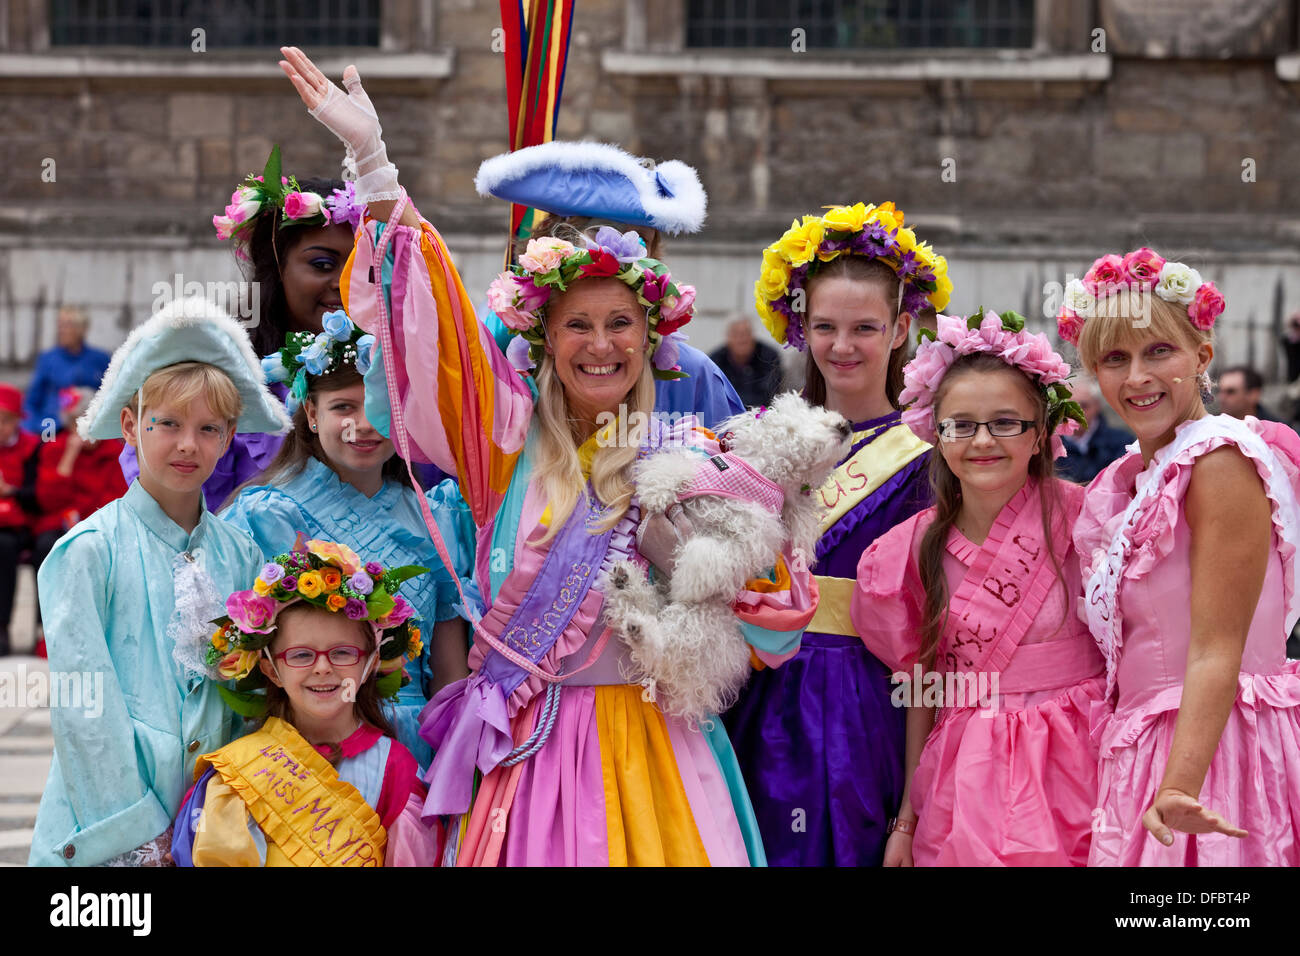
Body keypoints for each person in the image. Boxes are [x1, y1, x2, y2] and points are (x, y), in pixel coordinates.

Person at [281, 45, 817, 865]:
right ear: (542, 340)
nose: (600, 346)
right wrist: (374, 165)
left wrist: (732, 564)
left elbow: (771, 636)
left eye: (619, 325)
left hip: (661, 755)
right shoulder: (501, 442)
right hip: (529, 759)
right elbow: (439, 334)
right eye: (577, 324)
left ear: (651, 336)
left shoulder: (695, 456)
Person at [28, 295, 290, 867]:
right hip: (112, 819)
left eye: (208, 429)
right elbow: (83, 706)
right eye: (167, 424)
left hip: (217, 817)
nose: (187, 444)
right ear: (130, 425)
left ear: (228, 440)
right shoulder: (88, 552)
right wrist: (137, 830)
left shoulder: (242, 552)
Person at [724, 201, 949, 866]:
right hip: (755, 684)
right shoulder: (758, 435)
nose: (842, 345)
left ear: (902, 327)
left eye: (864, 327)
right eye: (825, 326)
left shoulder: (930, 452)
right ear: (801, 329)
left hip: (862, 700)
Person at [1059, 247, 1300, 865]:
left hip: (1215, 750)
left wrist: (1180, 783)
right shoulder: (1130, 477)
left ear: (1202, 357)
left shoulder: (1218, 461)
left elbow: (1217, 648)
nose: (1137, 376)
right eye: (1115, 359)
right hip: (1148, 750)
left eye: (1158, 351)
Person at [851, 309, 1104, 866]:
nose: (982, 441)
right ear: (936, 435)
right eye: (961, 424)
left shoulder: (1090, 521)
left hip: (1083, 757)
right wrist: (907, 820)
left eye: (1006, 422)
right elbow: (922, 690)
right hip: (969, 772)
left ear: (1041, 434)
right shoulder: (910, 551)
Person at [219, 314, 476, 770]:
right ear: (312, 414)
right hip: (303, 751)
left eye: (382, 407)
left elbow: (449, 667)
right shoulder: (265, 514)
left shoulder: (438, 519)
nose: (364, 423)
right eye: (344, 407)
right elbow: (239, 655)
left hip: (414, 747)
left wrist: (454, 766)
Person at [120, 147, 364, 511]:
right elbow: (170, 505)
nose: (343, 283)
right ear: (275, 268)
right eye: (322, 264)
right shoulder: (213, 374)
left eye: (361, 268)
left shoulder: (399, 373)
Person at [170, 539, 438, 866]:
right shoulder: (240, 770)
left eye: (342, 652)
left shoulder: (394, 770)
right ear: (271, 669)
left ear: (370, 663)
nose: (323, 667)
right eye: (301, 655)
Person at [474, 139, 745, 430]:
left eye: (639, 241)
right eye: (600, 233)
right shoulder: (506, 357)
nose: (623, 255)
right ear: (558, 249)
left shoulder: (692, 375)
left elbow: (731, 465)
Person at [29, 387, 128, 651]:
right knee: (47, 547)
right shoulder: (54, 447)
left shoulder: (113, 451)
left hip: (98, 525)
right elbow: (48, 500)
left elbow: (118, 498)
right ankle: (47, 630)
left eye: (87, 418)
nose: (82, 427)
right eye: (75, 421)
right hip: (59, 525)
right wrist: (69, 457)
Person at [22, 306, 110, 434]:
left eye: (68, 325)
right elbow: (32, 401)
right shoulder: (48, 359)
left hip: (89, 428)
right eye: (60, 325)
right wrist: (35, 427)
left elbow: (109, 398)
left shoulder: (100, 359)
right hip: (53, 426)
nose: (61, 330)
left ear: (81, 329)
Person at [0, 382, 40, 656]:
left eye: (6, 420)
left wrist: (10, 491)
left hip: (20, 526)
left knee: (3, 547)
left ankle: (2, 627)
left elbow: (38, 494)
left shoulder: (32, 448)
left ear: (17, 420)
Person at [1057, 376, 1134, 483]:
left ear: (1097, 406)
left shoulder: (1123, 443)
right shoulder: (1048, 446)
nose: (1075, 413)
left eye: (1084, 406)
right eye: (1068, 406)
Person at [709, 317, 784, 409]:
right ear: (727, 337)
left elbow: (772, 394)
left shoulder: (769, 357)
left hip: (763, 413)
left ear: (753, 335)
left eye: (746, 333)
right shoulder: (715, 361)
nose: (742, 339)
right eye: (736, 334)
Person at [1216, 365, 1284, 423]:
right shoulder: (1211, 428)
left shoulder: (1279, 432)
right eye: (1219, 391)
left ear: (1254, 395)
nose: (1222, 397)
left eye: (1231, 391)